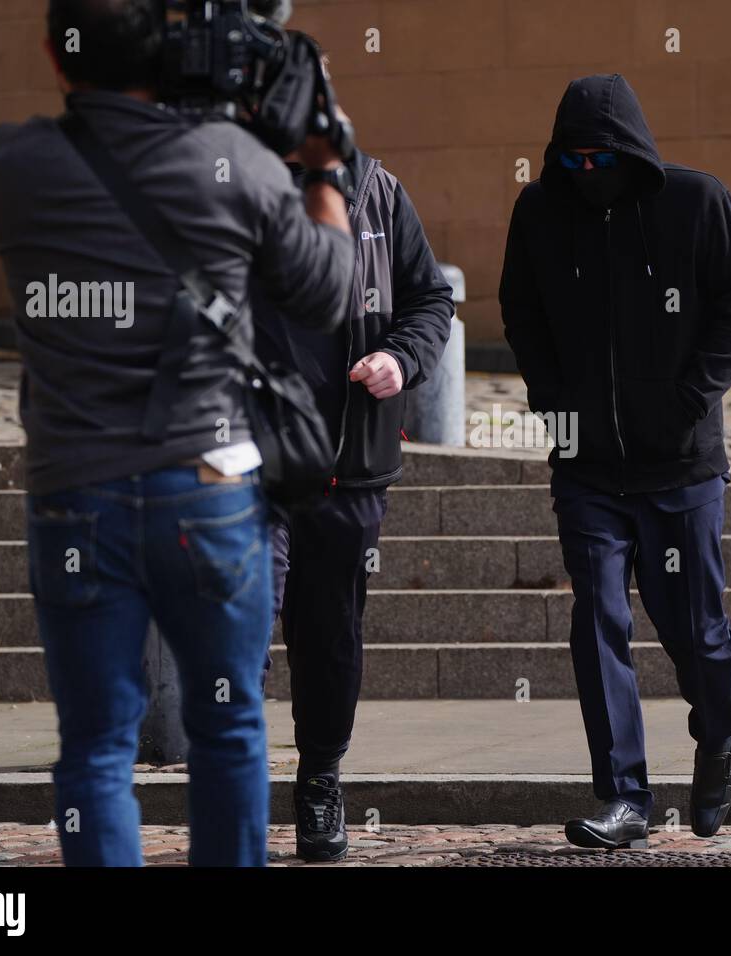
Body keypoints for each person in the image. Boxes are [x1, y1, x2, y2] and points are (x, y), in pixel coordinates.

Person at [0, 0, 355, 866]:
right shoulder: (235, 166)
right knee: (228, 728)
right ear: (173, 49)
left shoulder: (9, 163)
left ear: (54, 51)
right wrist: (325, 163)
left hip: (74, 495)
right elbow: (330, 293)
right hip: (210, 487)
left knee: (96, 747)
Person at [499, 73, 731, 848]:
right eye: (573, 160)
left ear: (628, 151)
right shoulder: (539, 211)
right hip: (587, 469)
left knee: (697, 631)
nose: (588, 173)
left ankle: (717, 740)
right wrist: (554, 402)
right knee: (599, 621)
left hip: (681, 466)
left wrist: (688, 398)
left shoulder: (695, 201)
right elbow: (521, 310)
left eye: (600, 158)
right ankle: (623, 795)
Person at [247, 5, 454, 867]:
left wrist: (402, 360)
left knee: (329, 634)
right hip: (249, 462)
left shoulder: (377, 191)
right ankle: (234, 785)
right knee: (247, 618)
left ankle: (322, 783)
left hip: (346, 461)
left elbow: (429, 299)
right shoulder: (230, 187)